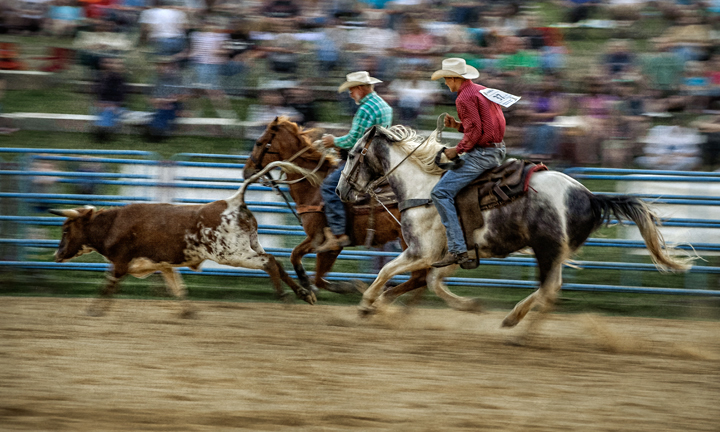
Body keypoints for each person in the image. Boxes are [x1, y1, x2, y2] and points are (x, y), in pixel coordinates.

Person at [429, 58, 506, 268]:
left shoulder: (463, 98)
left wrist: (458, 149)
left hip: (482, 154)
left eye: (446, 79)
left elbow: (475, 132)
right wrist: (457, 125)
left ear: (455, 78)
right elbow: (486, 128)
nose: (446, 83)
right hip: (498, 148)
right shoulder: (481, 90)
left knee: (440, 192)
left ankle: (457, 248)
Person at [316, 71, 393, 252]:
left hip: (365, 160)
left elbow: (354, 140)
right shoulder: (383, 105)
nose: (350, 94)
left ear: (360, 88)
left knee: (328, 187)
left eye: (351, 90)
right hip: (379, 156)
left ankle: (338, 234)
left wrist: (333, 141)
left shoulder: (366, 109)